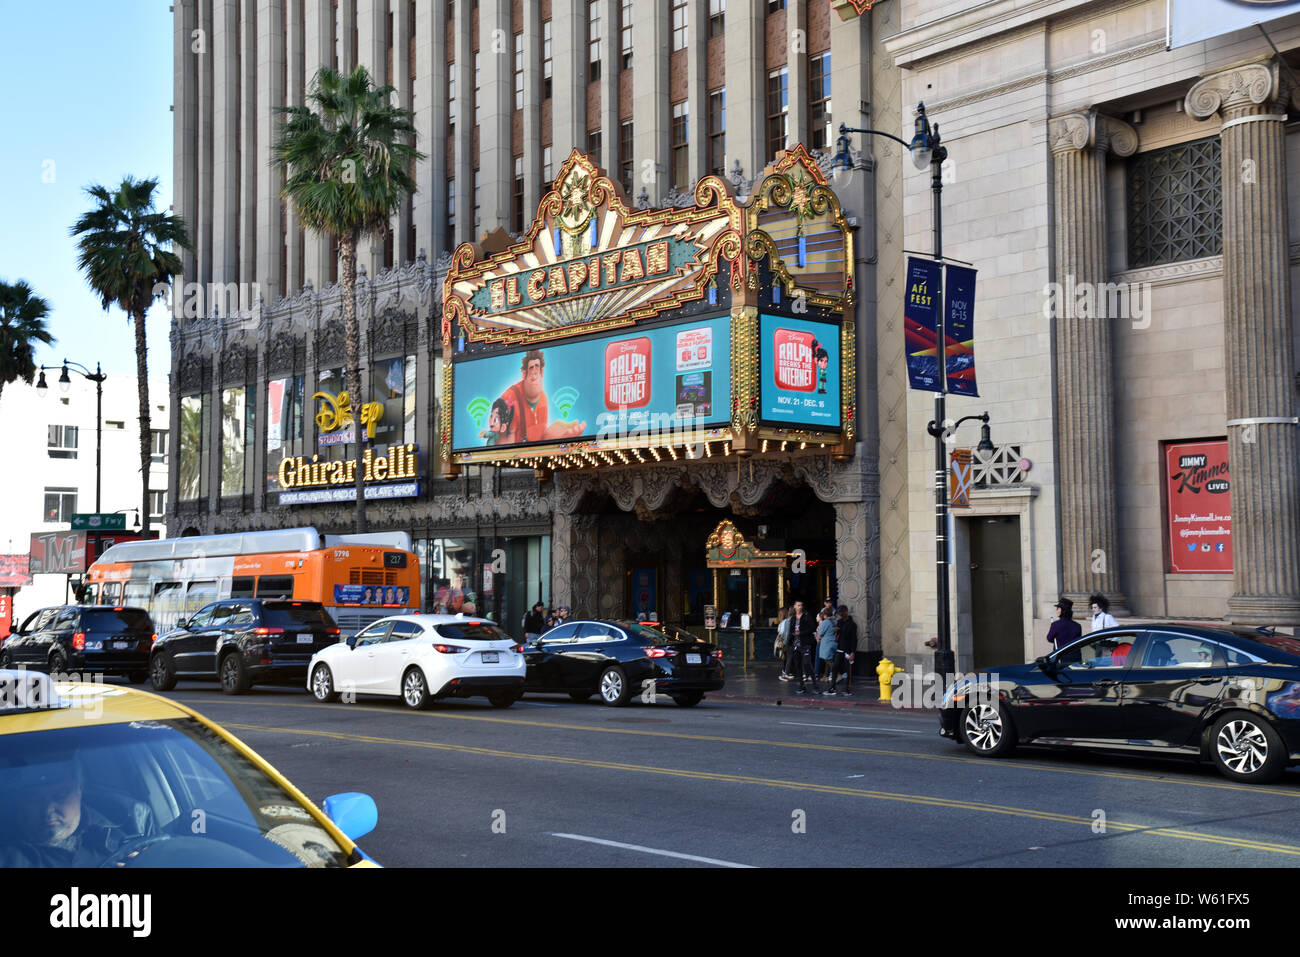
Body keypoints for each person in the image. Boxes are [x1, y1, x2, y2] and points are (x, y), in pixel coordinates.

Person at [0, 757, 131, 868]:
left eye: (60, 795)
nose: (48, 809)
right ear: (19, 800)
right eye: (34, 798)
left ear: (80, 788)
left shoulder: (127, 832)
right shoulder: (6, 857)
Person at [497, 349, 586, 445]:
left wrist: (554, 437)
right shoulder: (508, 399)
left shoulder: (543, 399)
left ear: (542, 371)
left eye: (537, 367)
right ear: (524, 373)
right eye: (531, 368)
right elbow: (499, 448)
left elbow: (539, 441)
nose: (534, 373)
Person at [785, 600, 818, 694]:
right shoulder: (793, 618)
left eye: (801, 605)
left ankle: (815, 685)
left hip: (805, 644)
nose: (799, 607)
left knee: (807, 664)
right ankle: (801, 685)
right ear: (794, 607)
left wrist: (801, 633)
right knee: (798, 665)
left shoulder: (807, 617)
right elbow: (790, 630)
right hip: (795, 645)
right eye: (798, 605)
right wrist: (789, 641)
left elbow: (812, 628)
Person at [816, 612, 838, 693]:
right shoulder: (834, 621)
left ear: (825, 615)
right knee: (829, 659)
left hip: (827, 643)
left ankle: (837, 674)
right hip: (833, 642)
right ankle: (828, 675)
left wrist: (817, 634)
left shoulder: (826, 622)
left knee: (827, 659)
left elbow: (821, 633)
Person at [775, 607, 792, 676]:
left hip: (783, 641)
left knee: (786, 657)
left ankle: (786, 671)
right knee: (787, 657)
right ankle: (786, 671)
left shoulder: (783, 622)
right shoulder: (785, 622)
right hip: (785, 641)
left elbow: (781, 631)